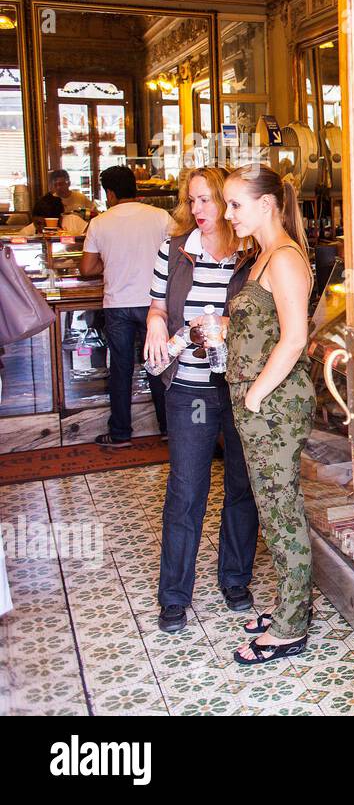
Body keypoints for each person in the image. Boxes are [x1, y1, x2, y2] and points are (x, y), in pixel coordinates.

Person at [145, 166, 259, 633]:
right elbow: (156, 304)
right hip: (190, 386)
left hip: (239, 385)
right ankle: (174, 596)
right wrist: (155, 321)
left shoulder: (251, 256)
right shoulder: (174, 251)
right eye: (191, 201)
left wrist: (228, 329)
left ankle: (235, 579)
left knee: (241, 486)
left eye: (206, 201)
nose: (197, 211)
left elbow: (262, 323)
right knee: (186, 489)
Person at [218, 164, 316, 664]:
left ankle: (291, 625)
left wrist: (254, 395)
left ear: (267, 205)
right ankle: (288, 606)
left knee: (281, 511)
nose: (227, 213)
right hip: (257, 402)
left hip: (273, 404)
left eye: (236, 204)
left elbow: (296, 338)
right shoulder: (262, 257)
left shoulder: (283, 259)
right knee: (271, 508)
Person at [79, 165, 171, 447]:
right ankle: (168, 429)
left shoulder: (100, 222)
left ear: (110, 193)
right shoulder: (160, 217)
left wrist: (110, 263)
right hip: (154, 304)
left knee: (120, 370)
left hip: (117, 304)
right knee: (158, 365)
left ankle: (120, 433)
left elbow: (86, 268)